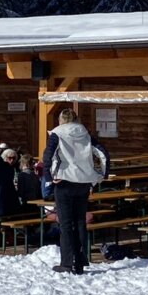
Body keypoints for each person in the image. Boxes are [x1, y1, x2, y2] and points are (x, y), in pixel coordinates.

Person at [43, 107, 108, 274]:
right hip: (83, 182)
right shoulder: (85, 133)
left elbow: (48, 156)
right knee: (80, 223)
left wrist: (49, 178)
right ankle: (80, 261)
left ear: (61, 120)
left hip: (64, 181)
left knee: (65, 224)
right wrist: (101, 175)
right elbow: (103, 153)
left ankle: (66, 262)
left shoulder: (57, 133)